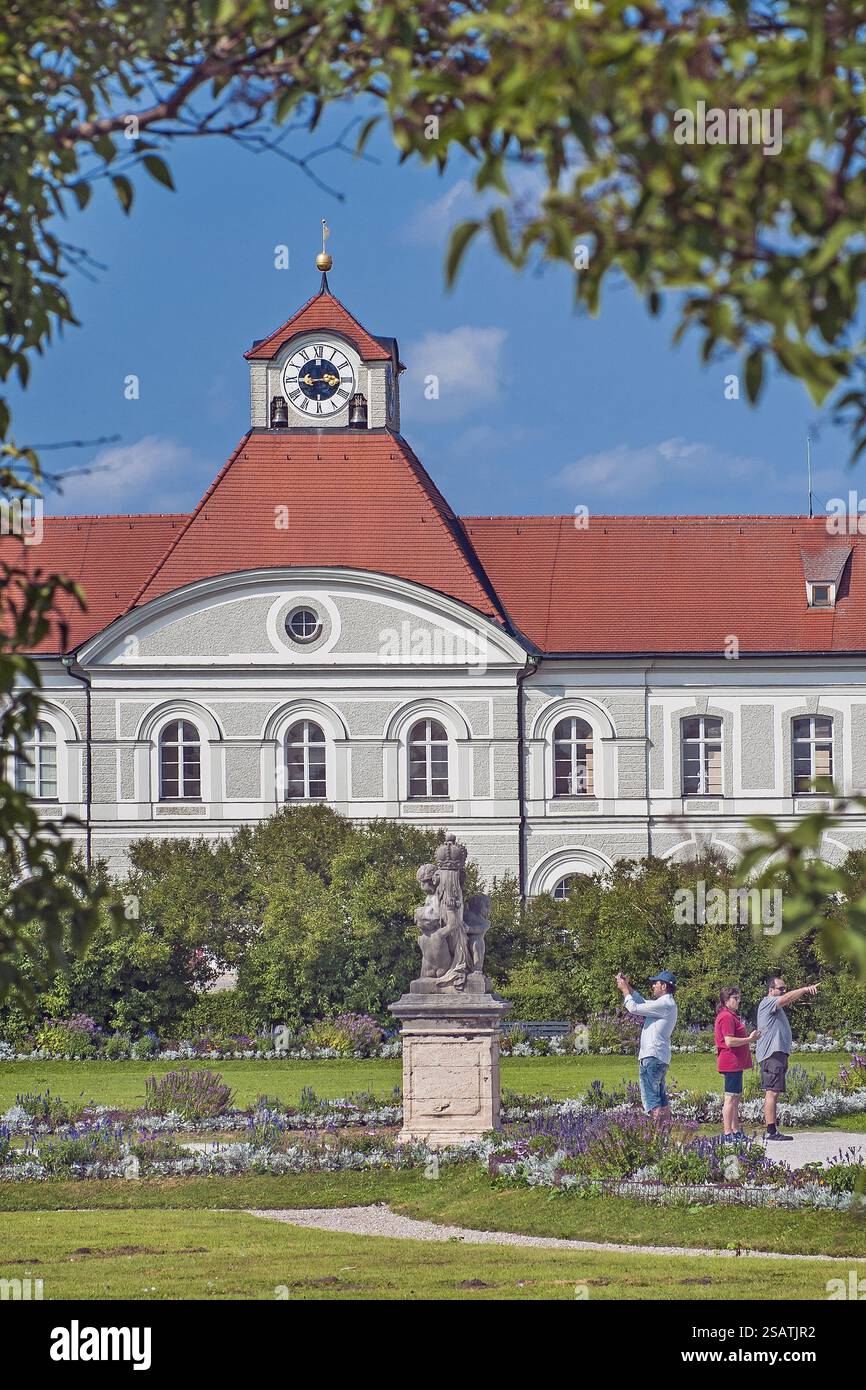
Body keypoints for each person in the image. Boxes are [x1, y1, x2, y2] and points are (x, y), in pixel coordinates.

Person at [756, 974, 819, 1140]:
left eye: (785, 988)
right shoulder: (768, 1002)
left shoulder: (776, 1007)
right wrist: (805, 989)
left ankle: (772, 1130)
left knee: (774, 1092)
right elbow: (786, 999)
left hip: (777, 1054)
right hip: (772, 1055)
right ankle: (771, 1132)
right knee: (772, 1092)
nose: (784, 991)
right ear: (771, 990)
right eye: (781, 989)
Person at [615, 969, 678, 1124]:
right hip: (659, 1057)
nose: (653, 986)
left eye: (655, 983)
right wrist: (628, 986)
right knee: (662, 1100)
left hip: (652, 1057)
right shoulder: (665, 1004)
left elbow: (634, 1008)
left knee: (652, 1102)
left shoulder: (664, 1004)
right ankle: (665, 1136)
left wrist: (624, 990)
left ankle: (657, 1139)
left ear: (663, 986)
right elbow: (642, 1002)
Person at [714, 986, 760, 1141]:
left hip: (736, 1062)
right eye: (735, 998)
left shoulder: (730, 1016)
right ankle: (728, 1133)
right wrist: (749, 1039)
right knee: (730, 1098)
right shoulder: (726, 1017)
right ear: (726, 1000)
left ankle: (735, 1130)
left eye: (739, 998)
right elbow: (729, 1041)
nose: (738, 1001)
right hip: (730, 1061)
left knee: (735, 1097)